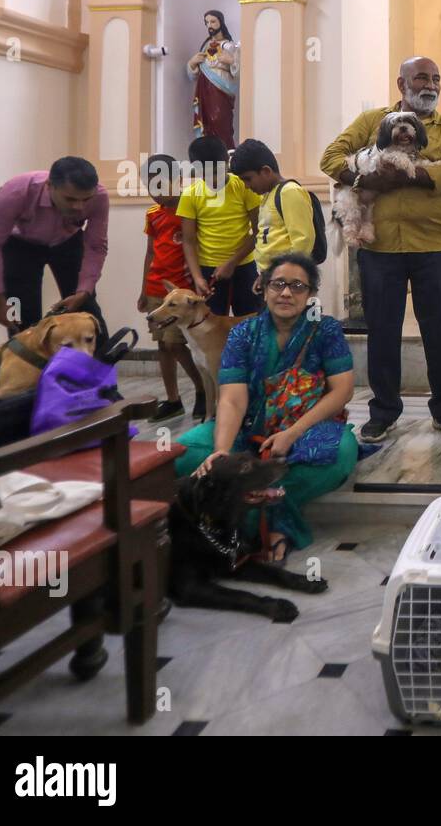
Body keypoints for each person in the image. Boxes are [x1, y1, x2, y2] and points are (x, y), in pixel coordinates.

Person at [320, 56, 441, 442]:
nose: (431, 85)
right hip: (380, 247)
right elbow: (330, 158)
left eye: (436, 78)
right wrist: (365, 177)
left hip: (435, 245)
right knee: (382, 332)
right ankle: (384, 412)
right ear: (401, 83)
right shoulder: (372, 122)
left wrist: (409, 174)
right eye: (421, 78)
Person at [178, 252, 358, 563]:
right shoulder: (242, 333)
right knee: (180, 453)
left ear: (311, 294)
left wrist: (292, 432)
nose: (286, 293)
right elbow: (232, 398)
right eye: (278, 284)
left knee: (339, 455)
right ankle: (266, 511)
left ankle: (253, 520)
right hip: (248, 428)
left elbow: (342, 391)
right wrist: (221, 452)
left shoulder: (325, 330)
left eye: (298, 286)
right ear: (262, 287)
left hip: (308, 428)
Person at [0, 156, 108, 334]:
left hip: (68, 242)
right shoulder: (15, 192)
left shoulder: (99, 197)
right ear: (49, 185)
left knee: (86, 310)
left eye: (85, 200)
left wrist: (84, 291)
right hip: (21, 245)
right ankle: (25, 361)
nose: (79, 207)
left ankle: (99, 360)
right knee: (21, 318)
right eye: (70, 199)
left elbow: (95, 246)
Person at [137, 154, 206, 422]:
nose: (156, 195)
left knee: (177, 345)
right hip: (157, 288)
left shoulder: (189, 208)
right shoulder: (153, 215)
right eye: (150, 188)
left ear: (176, 180)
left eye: (160, 187)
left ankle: (201, 389)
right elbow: (150, 253)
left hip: (182, 291)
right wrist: (143, 289)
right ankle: (173, 399)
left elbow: (195, 244)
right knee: (162, 347)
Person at [177, 135, 263, 317]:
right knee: (212, 327)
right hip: (208, 270)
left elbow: (258, 231)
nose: (214, 178)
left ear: (227, 162)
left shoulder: (243, 186)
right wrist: (198, 277)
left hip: (243, 266)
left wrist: (232, 262)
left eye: (217, 171)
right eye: (207, 174)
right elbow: (189, 241)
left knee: (251, 323)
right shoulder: (190, 195)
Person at [230, 138, 316, 275]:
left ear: (266, 171)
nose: (246, 186)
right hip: (271, 277)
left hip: (286, 280)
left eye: (248, 179)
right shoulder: (267, 195)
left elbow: (303, 241)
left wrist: (287, 277)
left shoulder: (289, 191)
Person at [186, 9, 238, 149]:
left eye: (213, 21)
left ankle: (225, 154)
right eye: (207, 22)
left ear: (221, 22)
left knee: (220, 122)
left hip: (222, 91)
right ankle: (209, 157)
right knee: (207, 124)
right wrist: (192, 63)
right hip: (204, 91)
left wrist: (232, 61)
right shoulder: (205, 45)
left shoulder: (230, 46)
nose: (210, 25)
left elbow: (241, 73)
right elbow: (193, 75)